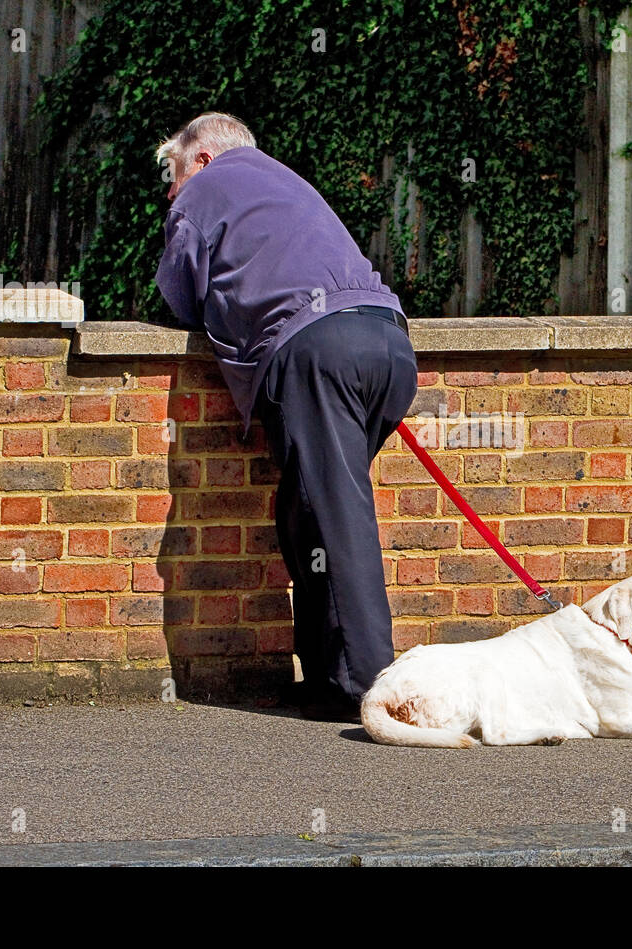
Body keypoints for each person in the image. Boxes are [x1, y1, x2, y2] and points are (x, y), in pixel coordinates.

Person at [153, 112, 417, 722]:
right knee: (308, 511)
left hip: (319, 350)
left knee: (336, 515)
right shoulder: (283, 179)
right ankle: (328, 678)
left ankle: (373, 690)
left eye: (173, 173)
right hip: (387, 344)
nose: (171, 191)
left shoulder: (207, 188)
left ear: (202, 159)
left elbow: (179, 297)